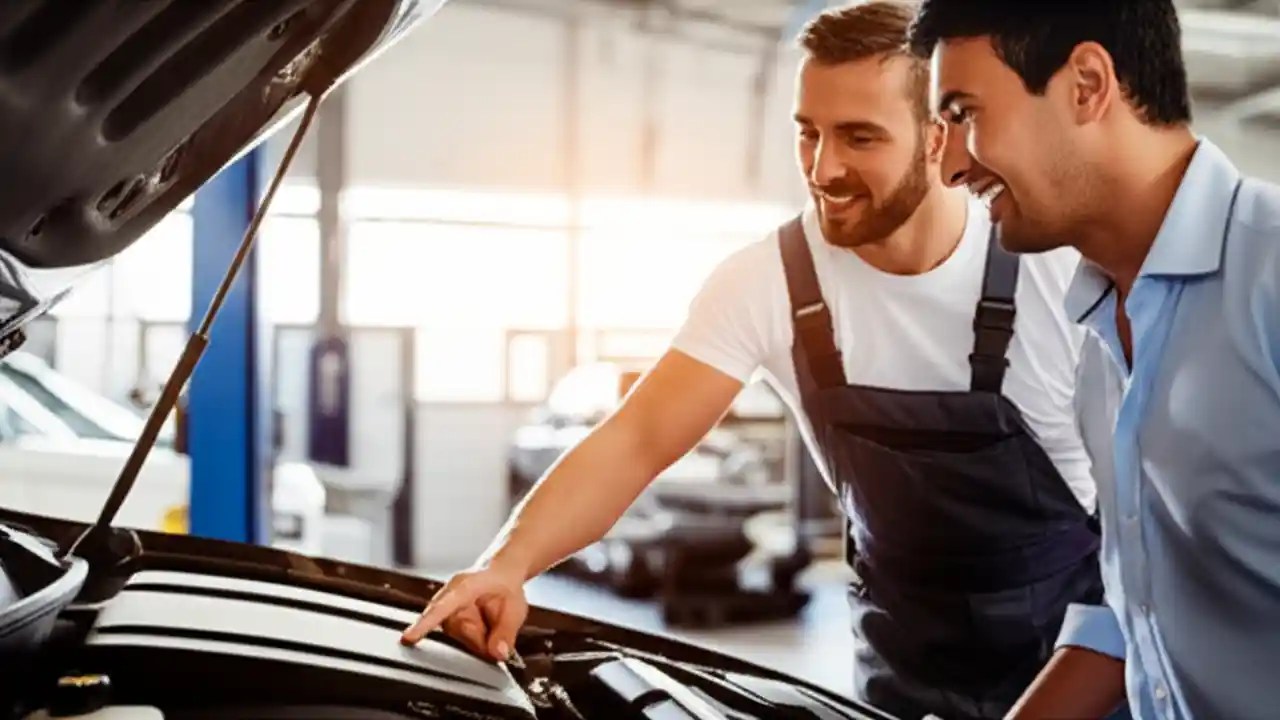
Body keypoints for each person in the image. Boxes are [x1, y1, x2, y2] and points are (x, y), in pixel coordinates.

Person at [402, 3, 1105, 718]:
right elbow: (636, 439)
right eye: (809, 134)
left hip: (1074, 665)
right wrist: (507, 564)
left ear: (937, 137)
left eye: (859, 137)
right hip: (902, 672)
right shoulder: (771, 281)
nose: (824, 168)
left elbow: (1156, 526)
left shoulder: (1050, 266)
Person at [908, 2, 1280, 719]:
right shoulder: (1097, 343)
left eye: (964, 113)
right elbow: (1140, 613)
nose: (950, 164)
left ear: (1086, 83)